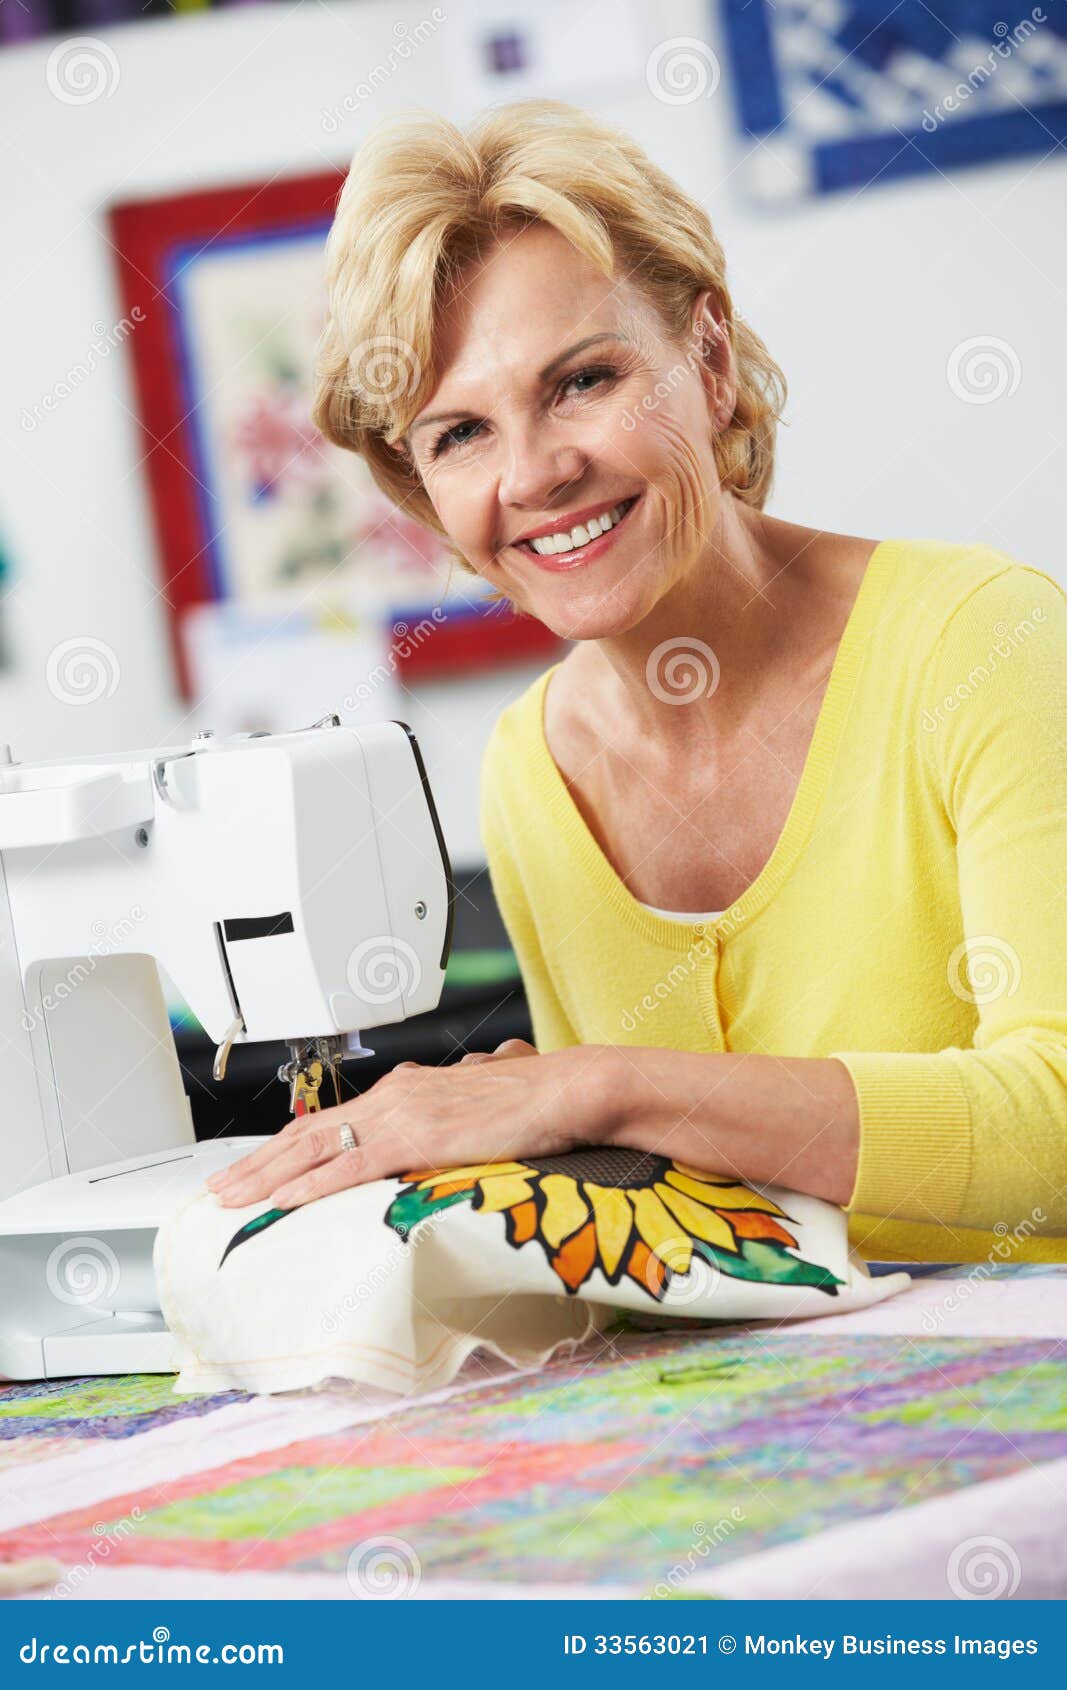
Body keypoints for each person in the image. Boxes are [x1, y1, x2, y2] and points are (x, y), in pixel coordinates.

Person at [209, 101, 1067, 1266]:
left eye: (582, 381)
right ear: (423, 494)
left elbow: (1052, 1126)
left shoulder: (983, 643)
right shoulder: (534, 767)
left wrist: (595, 1089)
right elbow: (658, 1220)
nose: (536, 473)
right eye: (458, 433)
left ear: (708, 359)